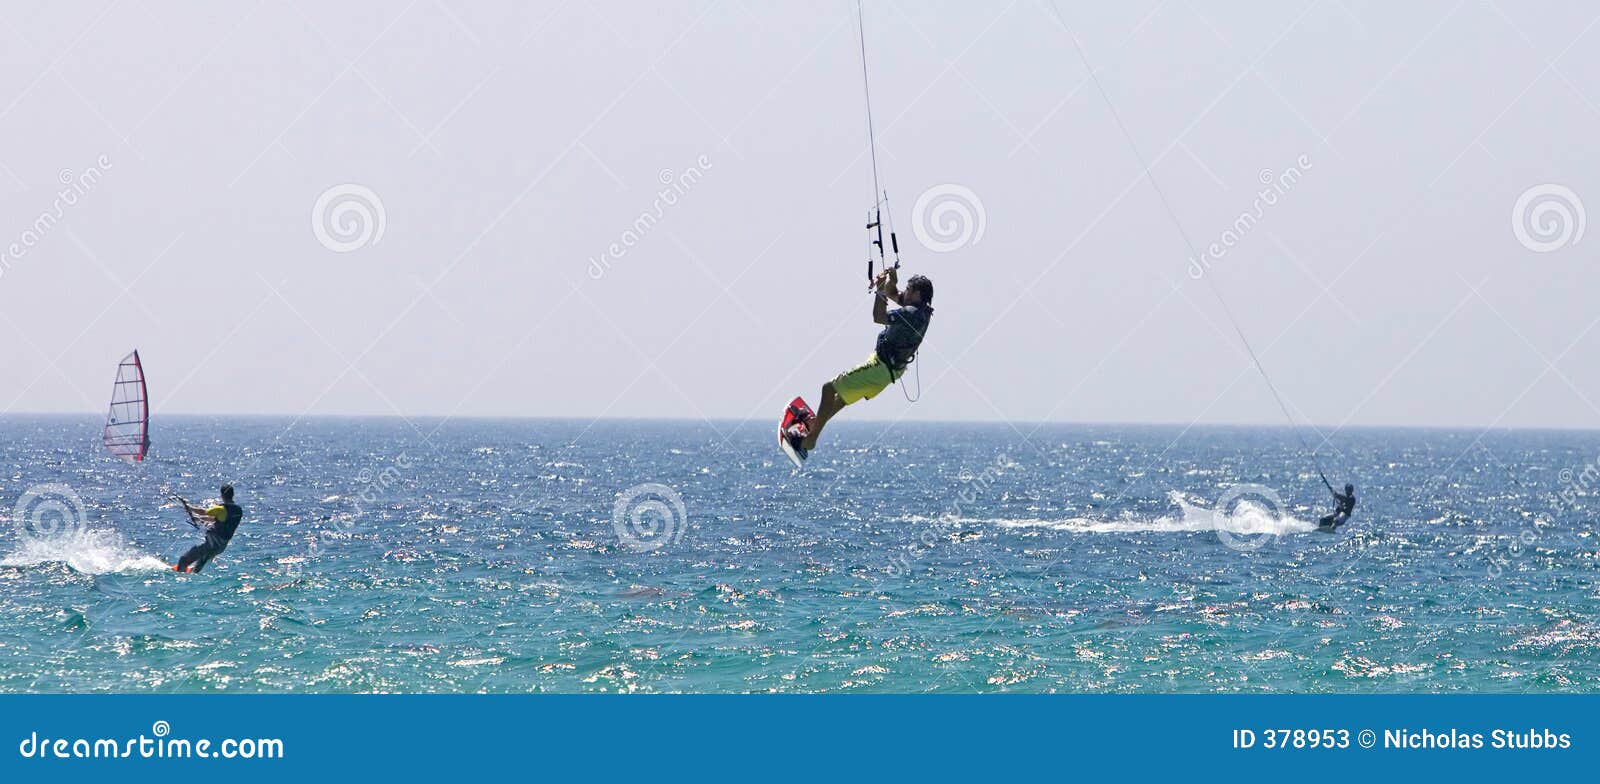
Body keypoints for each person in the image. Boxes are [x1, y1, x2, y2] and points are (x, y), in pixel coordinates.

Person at [792, 269, 933, 455]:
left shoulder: (912, 314)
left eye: (907, 289)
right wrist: (891, 282)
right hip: (888, 368)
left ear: (917, 294)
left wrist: (880, 290)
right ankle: (813, 424)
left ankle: (809, 441)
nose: (904, 292)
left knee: (829, 388)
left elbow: (878, 317)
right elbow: (893, 294)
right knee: (842, 397)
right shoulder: (921, 308)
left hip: (881, 368)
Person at [174, 484, 245, 573]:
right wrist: (198, 519)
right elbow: (219, 519)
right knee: (196, 568)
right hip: (220, 548)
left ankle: (181, 578)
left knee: (183, 560)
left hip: (211, 545)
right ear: (232, 495)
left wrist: (189, 508)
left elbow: (202, 512)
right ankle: (191, 576)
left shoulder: (221, 509)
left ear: (222, 495)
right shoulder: (238, 510)